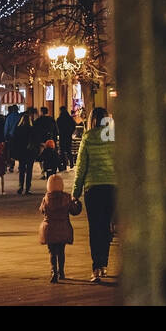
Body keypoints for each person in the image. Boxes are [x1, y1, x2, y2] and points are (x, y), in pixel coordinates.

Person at [72, 106, 116, 282]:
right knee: (106, 227)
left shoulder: (87, 137)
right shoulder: (113, 139)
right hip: (112, 187)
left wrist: (75, 192)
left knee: (95, 228)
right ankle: (104, 264)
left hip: (93, 189)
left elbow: (81, 167)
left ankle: (96, 267)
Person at [39, 172, 74, 283]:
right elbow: (74, 210)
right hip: (63, 228)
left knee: (52, 252)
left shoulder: (46, 198)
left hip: (50, 230)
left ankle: (54, 271)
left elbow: (42, 210)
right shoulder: (66, 198)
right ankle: (62, 272)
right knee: (61, 251)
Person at [12, 110, 37, 195]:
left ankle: (20, 187)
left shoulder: (18, 129)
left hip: (21, 152)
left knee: (22, 170)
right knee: (29, 170)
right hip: (30, 152)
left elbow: (14, 141)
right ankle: (28, 188)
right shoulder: (32, 129)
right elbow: (35, 141)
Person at [56, 105, 76, 171]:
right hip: (68, 136)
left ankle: (64, 165)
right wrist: (71, 132)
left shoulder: (59, 119)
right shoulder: (70, 118)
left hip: (62, 136)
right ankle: (71, 163)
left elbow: (57, 128)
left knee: (62, 151)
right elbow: (74, 126)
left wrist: (59, 132)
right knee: (68, 150)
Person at [3, 105, 22, 170]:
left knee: (11, 151)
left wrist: (5, 136)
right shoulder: (20, 117)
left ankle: (12, 166)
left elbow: (6, 127)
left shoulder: (9, 117)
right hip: (19, 136)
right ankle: (20, 166)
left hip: (11, 136)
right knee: (19, 150)